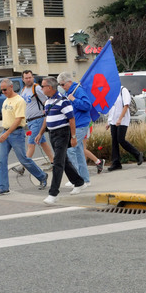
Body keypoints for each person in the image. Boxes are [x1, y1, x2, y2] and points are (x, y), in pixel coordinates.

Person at [0, 79, 48, 196]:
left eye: (5, 89)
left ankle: (42, 176)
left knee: (23, 158)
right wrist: (4, 132)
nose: (3, 92)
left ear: (11, 87)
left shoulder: (19, 101)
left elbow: (18, 120)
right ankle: (3, 187)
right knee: (1, 160)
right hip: (6, 132)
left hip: (16, 133)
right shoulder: (6, 101)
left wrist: (7, 134)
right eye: (1, 90)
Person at [35, 77, 86, 205]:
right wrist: (40, 133)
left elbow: (72, 119)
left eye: (43, 86)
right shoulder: (47, 102)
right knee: (64, 161)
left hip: (63, 134)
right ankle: (79, 182)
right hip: (52, 134)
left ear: (50, 87)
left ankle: (53, 193)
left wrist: (73, 137)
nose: (41, 88)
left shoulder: (63, 101)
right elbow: (47, 119)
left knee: (57, 162)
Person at [57, 72, 93, 186]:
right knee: (78, 152)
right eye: (60, 85)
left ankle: (77, 178)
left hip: (81, 124)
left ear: (69, 82)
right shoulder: (69, 92)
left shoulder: (78, 90)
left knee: (71, 150)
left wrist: (73, 99)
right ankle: (84, 179)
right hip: (76, 125)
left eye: (63, 84)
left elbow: (87, 105)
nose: (62, 87)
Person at [18, 70, 54, 171]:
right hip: (30, 121)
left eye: (30, 77)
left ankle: (23, 166)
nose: (28, 79)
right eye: (26, 78)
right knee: (42, 142)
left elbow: (46, 100)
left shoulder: (37, 88)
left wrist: (46, 112)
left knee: (31, 143)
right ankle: (53, 161)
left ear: (33, 77)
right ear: (23, 79)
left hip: (38, 120)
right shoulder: (24, 89)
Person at [105, 84, 144, 171]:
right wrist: (109, 121)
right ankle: (116, 163)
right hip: (113, 120)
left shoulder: (123, 90)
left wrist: (120, 119)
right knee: (114, 141)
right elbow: (111, 108)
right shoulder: (111, 92)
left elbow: (126, 105)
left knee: (120, 139)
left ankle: (137, 154)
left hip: (122, 120)